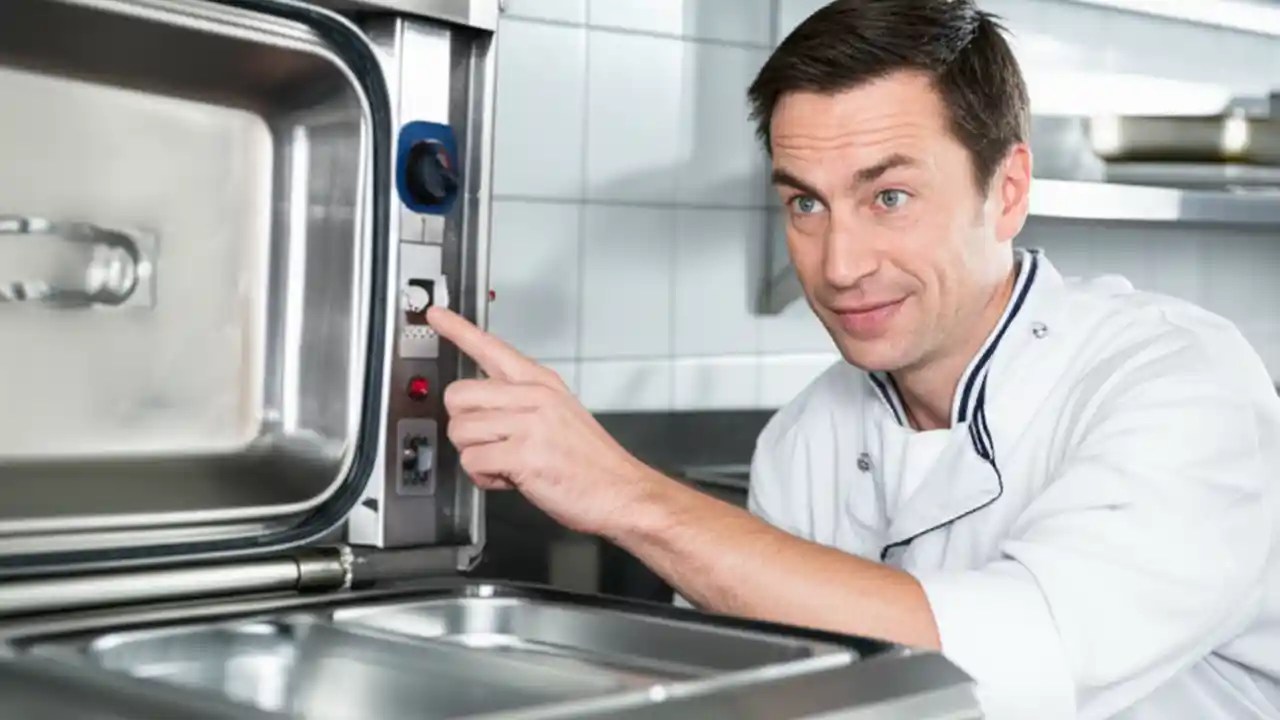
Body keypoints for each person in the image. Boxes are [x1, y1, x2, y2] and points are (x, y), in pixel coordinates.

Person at [425, 0, 1280, 717]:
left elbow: (1016, 662)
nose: (838, 265)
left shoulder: (1178, 384)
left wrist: (628, 493)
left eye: (890, 197)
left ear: (1007, 190)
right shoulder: (806, 439)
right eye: (805, 203)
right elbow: (763, 685)